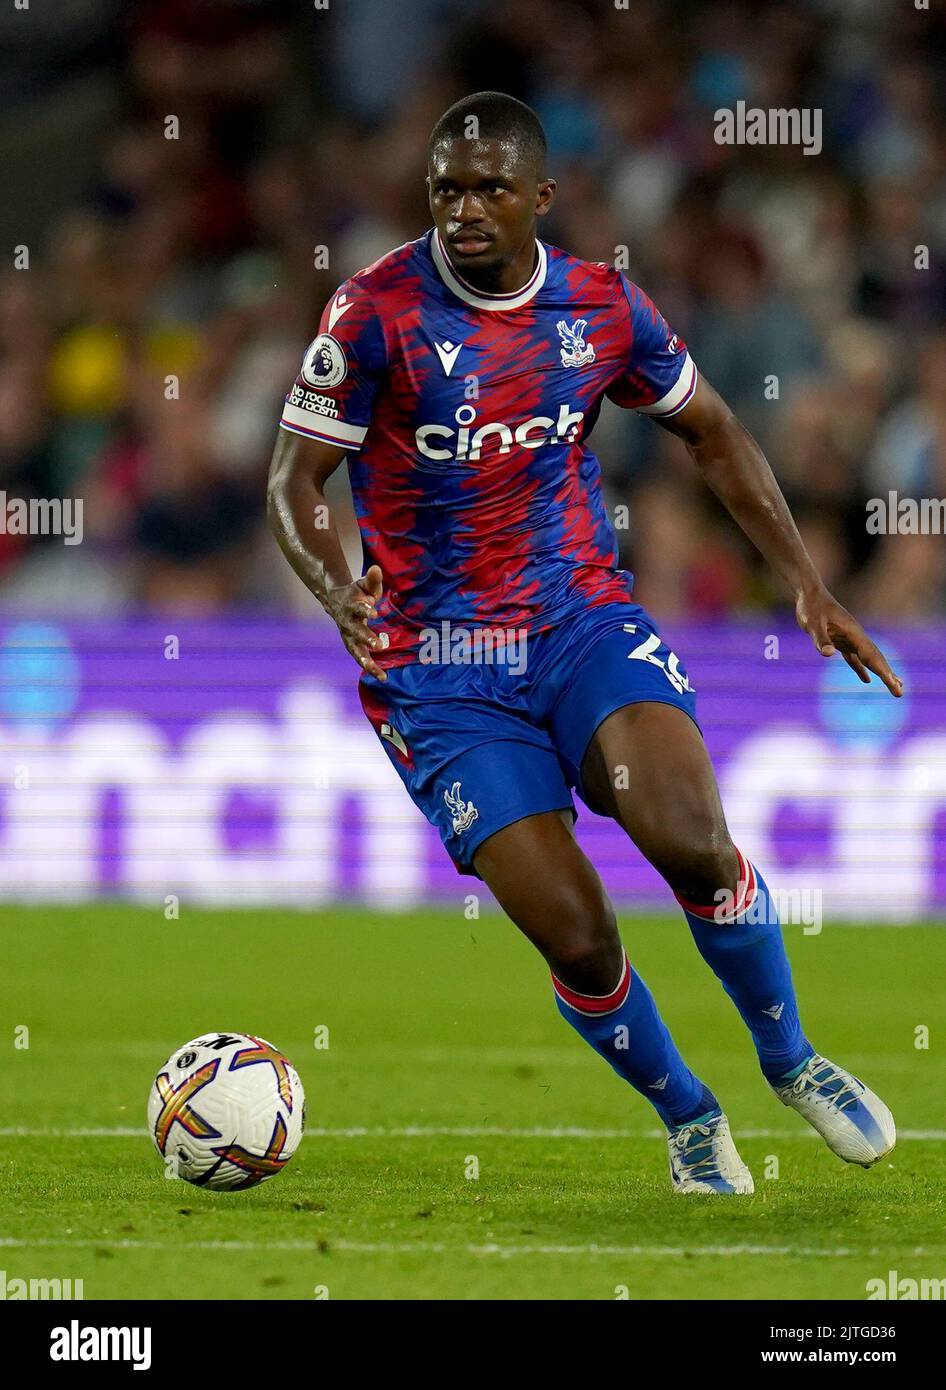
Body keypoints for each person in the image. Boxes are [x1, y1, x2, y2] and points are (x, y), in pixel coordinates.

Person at [268, 92, 902, 1193]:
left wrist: (808, 583)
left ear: (540, 198)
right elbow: (291, 478)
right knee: (577, 934)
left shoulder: (599, 306)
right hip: (438, 674)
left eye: (490, 189)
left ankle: (792, 1059)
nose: (464, 210)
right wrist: (336, 589)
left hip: (576, 621)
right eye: (446, 189)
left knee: (688, 834)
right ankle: (690, 1118)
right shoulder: (373, 313)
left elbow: (712, 429)